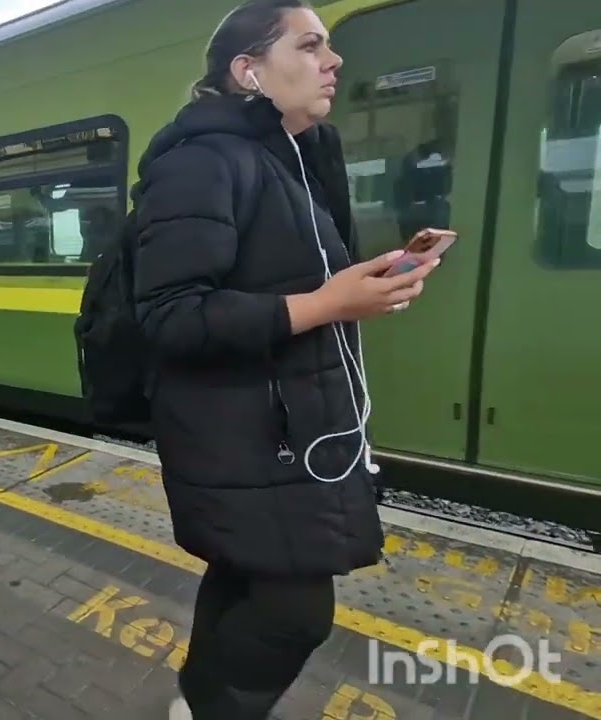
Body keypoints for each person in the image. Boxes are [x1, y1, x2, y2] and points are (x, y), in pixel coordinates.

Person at [128, 2, 441, 718]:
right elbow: (171, 314)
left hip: (283, 431)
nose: (333, 61)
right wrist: (327, 304)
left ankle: (196, 706)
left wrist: (360, 287)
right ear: (249, 71)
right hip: (248, 437)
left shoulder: (290, 161)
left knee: (246, 580)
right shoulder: (203, 162)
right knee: (296, 613)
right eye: (309, 45)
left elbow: (288, 283)